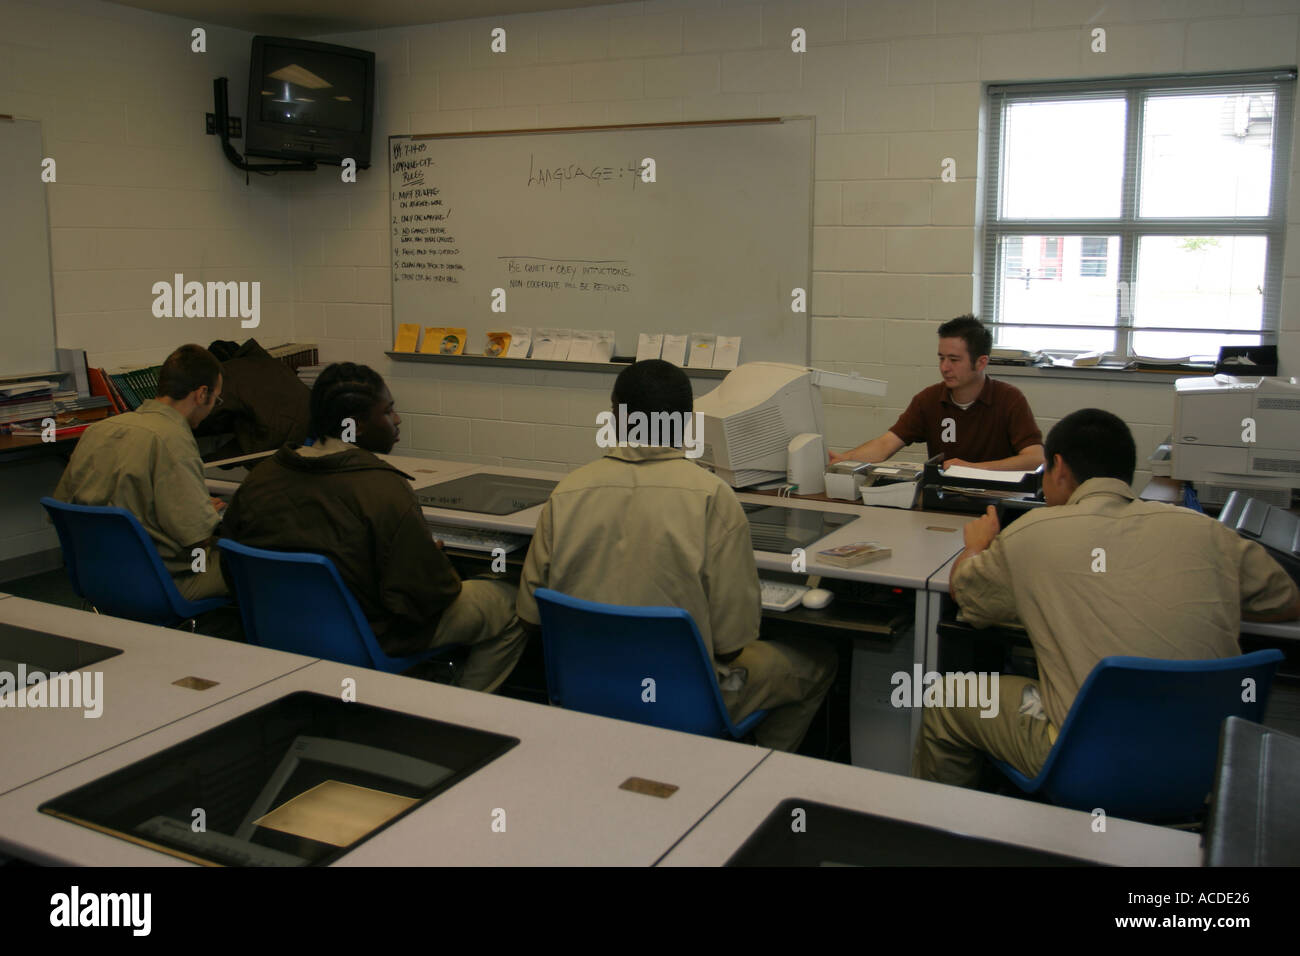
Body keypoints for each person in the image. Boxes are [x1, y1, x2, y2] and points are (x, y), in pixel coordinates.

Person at [912, 408, 1300, 787]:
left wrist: (976, 547)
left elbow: (970, 599)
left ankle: (944, 837)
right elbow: (1286, 600)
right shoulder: (1207, 531)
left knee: (949, 697)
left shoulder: (1032, 533)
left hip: (1086, 756)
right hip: (1212, 759)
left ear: (1059, 467)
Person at [515, 359, 837, 752]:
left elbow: (530, 615)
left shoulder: (567, 492)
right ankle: (748, 781)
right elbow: (732, 643)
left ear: (615, 416)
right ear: (687, 422)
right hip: (687, 700)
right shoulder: (713, 498)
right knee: (817, 662)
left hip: (586, 693)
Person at [219, 362, 526, 693]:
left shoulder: (260, 478)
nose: (397, 420)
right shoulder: (383, 489)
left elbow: (231, 565)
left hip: (278, 628)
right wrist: (429, 557)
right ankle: (457, 713)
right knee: (512, 602)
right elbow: (428, 596)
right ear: (356, 426)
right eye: (388, 411)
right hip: (375, 633)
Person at [54, 344, 227, 600]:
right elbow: (196, 537)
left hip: (96, 576)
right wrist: (204, 513)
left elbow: (63, 509)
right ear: (202, 394)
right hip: (162, 582)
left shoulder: (96, 431)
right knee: (253, 562)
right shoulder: (172, 439)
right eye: (216, 398)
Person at [830, 315, 1045, 472]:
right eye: (941, 358)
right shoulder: (928, 400)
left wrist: (973, 469)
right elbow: (885, 444)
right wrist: (846, 458)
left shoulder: (1009, 399)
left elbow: (1036, 458)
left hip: (996, 501)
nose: (944, 367)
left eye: (954, 359)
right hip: (944, 499)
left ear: (981, 362)